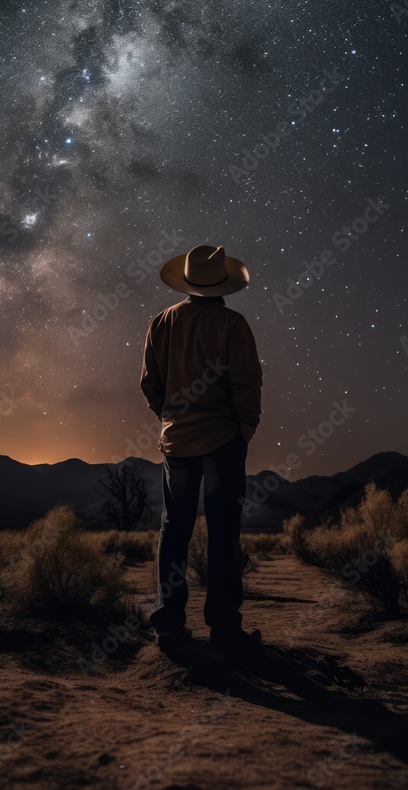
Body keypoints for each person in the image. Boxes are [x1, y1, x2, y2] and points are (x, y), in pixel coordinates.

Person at [140, 243, 263, 655]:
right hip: (223, 440)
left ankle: (169, 626)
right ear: (223, 283)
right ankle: (225, 629)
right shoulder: (232, 324)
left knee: (174, 530)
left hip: (177, 442)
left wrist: (171, 417)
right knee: (223, 532)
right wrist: (244, 429)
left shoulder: (162, 322)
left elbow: (150, 384)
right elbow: (247, 384)